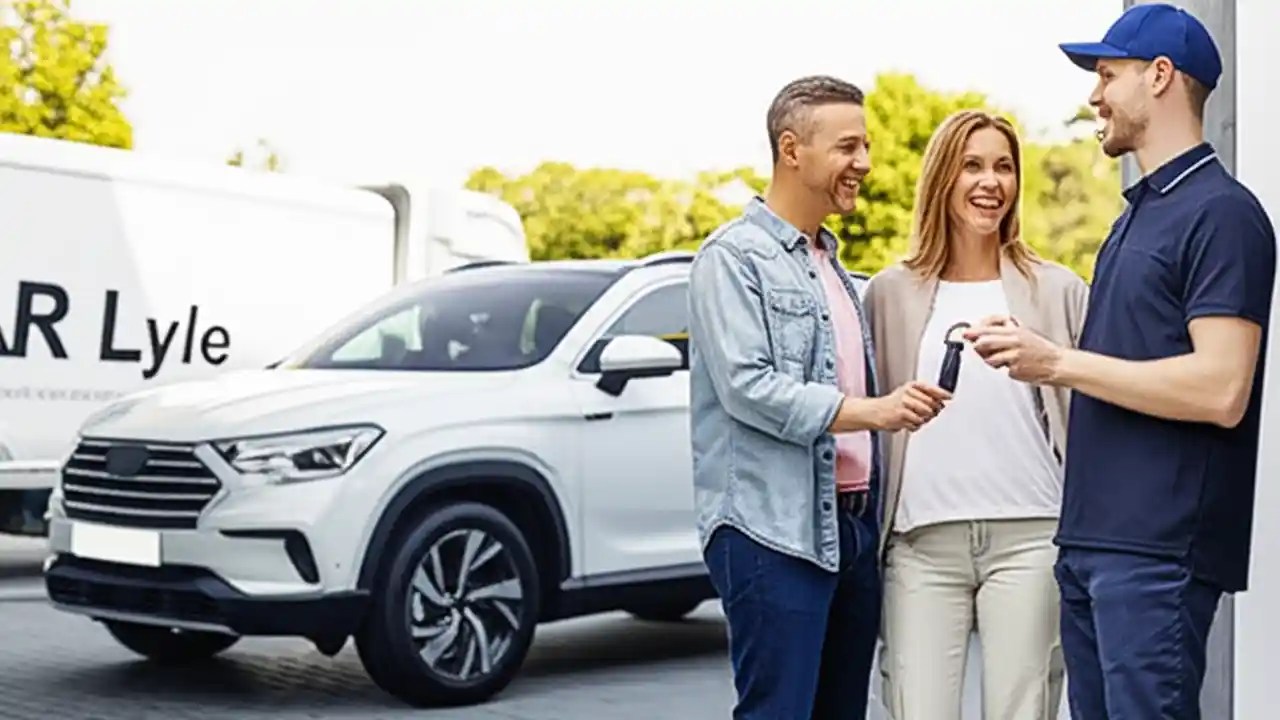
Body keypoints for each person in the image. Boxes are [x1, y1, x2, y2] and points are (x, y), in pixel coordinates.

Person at [964, 5, 1278, 718]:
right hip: (1094, 545)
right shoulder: (1136, 216)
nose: (1094, 94)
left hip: (1157, 554)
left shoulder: (1223, 214)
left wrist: (1057, 364)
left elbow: (1222, 387)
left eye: (1108, 75)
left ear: (1161, 77)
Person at [687, 75, 951, 719]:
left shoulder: (830, 263)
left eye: (865, 146)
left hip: (851, 528)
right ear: (791, 149)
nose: (863, 163)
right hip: (772, 533)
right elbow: (749, 388)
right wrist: (875, 411)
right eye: (847, 147)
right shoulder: (733, 258)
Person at [863, 109, 1087, 720]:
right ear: (942, 178)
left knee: (1023, 708)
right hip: (919, 542)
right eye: (972, 165)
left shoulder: (1058, 289)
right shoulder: (888, 292)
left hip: (1032, 536)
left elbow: (1087, 413)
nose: (991, 181)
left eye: (1004, 167)